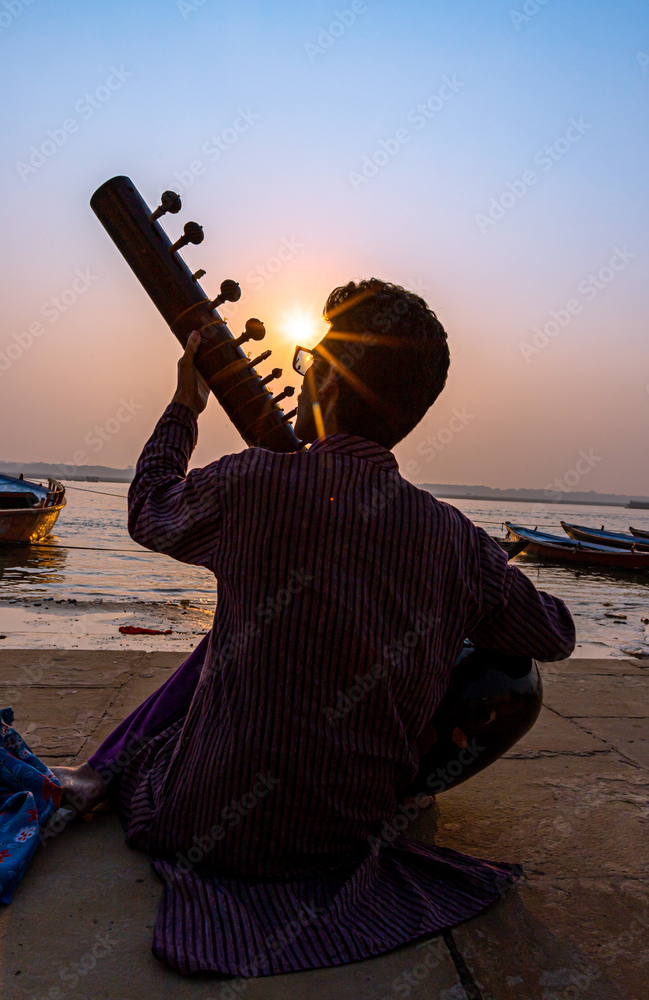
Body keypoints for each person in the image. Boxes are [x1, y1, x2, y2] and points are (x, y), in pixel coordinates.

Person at [54, 279, 574, 977]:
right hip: (342, 840)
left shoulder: (249, 484)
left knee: (232, 653)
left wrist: (186, 403)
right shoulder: (454, 540)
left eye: (308, 362)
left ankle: (103, 770)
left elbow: (150, 507)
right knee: (511, 668)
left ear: (323, 378)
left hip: (198, 826)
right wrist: (455, 602)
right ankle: (395, 787)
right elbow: (554, 636)